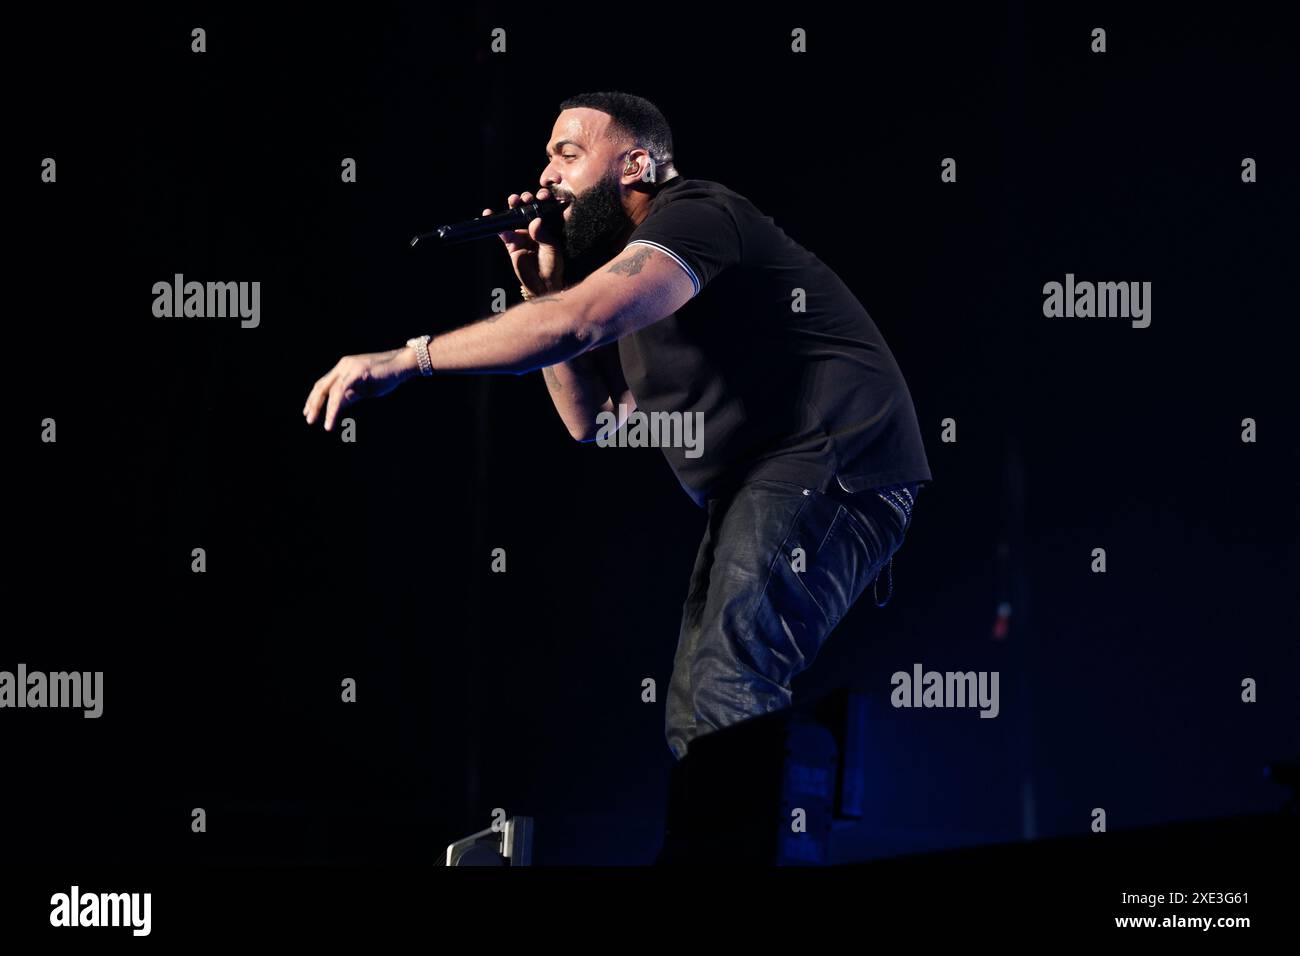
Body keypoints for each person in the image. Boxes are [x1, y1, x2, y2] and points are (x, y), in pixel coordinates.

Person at [302, 91, 932, 763]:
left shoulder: (694, 216)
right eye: (545, 157)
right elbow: (594, 420)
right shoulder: (636, 274)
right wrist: (538, 290)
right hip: (768, 482)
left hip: (831, 461)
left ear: (636, 164)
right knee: (697, 711)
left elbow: (578, 323)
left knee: (729, 688)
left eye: (567, 154)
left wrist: (409, 358)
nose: (545, 175)